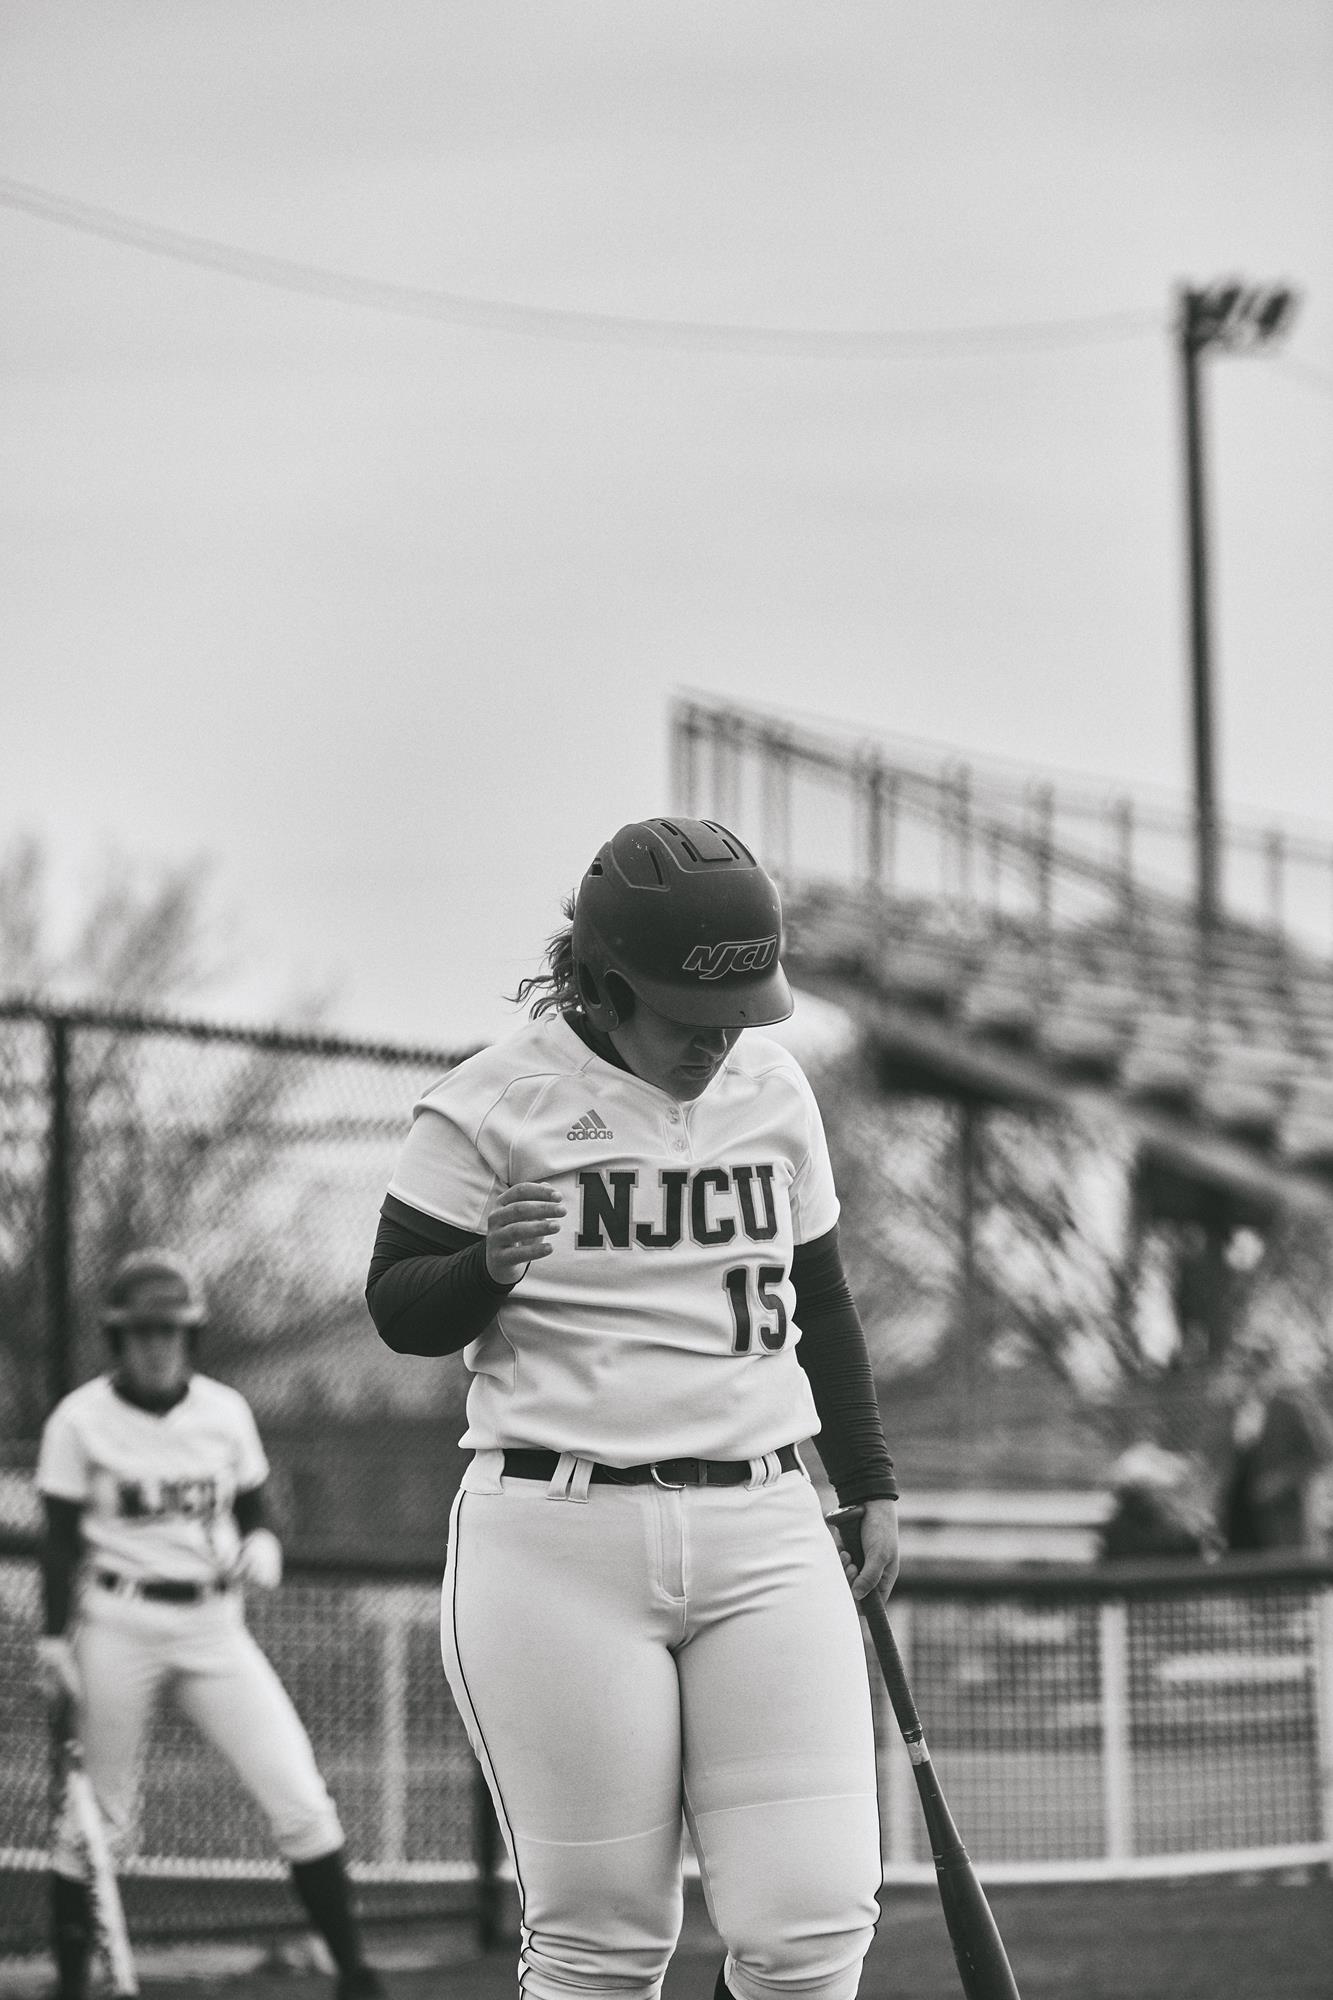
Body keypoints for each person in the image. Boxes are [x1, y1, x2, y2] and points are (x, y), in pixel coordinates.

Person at [366, 816, 900, 2000]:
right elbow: (398, 1307)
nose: (719, 1044)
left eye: (737, 1018)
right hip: (557, 1538)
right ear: (605, 983)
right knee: (602, 1943)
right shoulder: (488, 1101)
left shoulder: (773, 1084)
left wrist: (867, 1478)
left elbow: (819, 1293)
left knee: (810, 1928)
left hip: (764, 1522)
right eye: (688, 1017)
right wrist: (484, 1268)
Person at [34, 1248, 384, 2000]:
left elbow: (254, 1509)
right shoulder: (80, 1419)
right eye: (142, 1331)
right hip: (116, 1621)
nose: (157, 1343)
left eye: (171, 1329)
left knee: (299, 1797)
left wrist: (260, 1543)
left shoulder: (223, 1411)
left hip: (213, 1625)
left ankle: (355, 1975)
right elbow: (59, 1538)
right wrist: (53, 1641)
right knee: (98, 1818)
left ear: (190, 1335)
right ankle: (67, 1986)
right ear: (118, 1338)